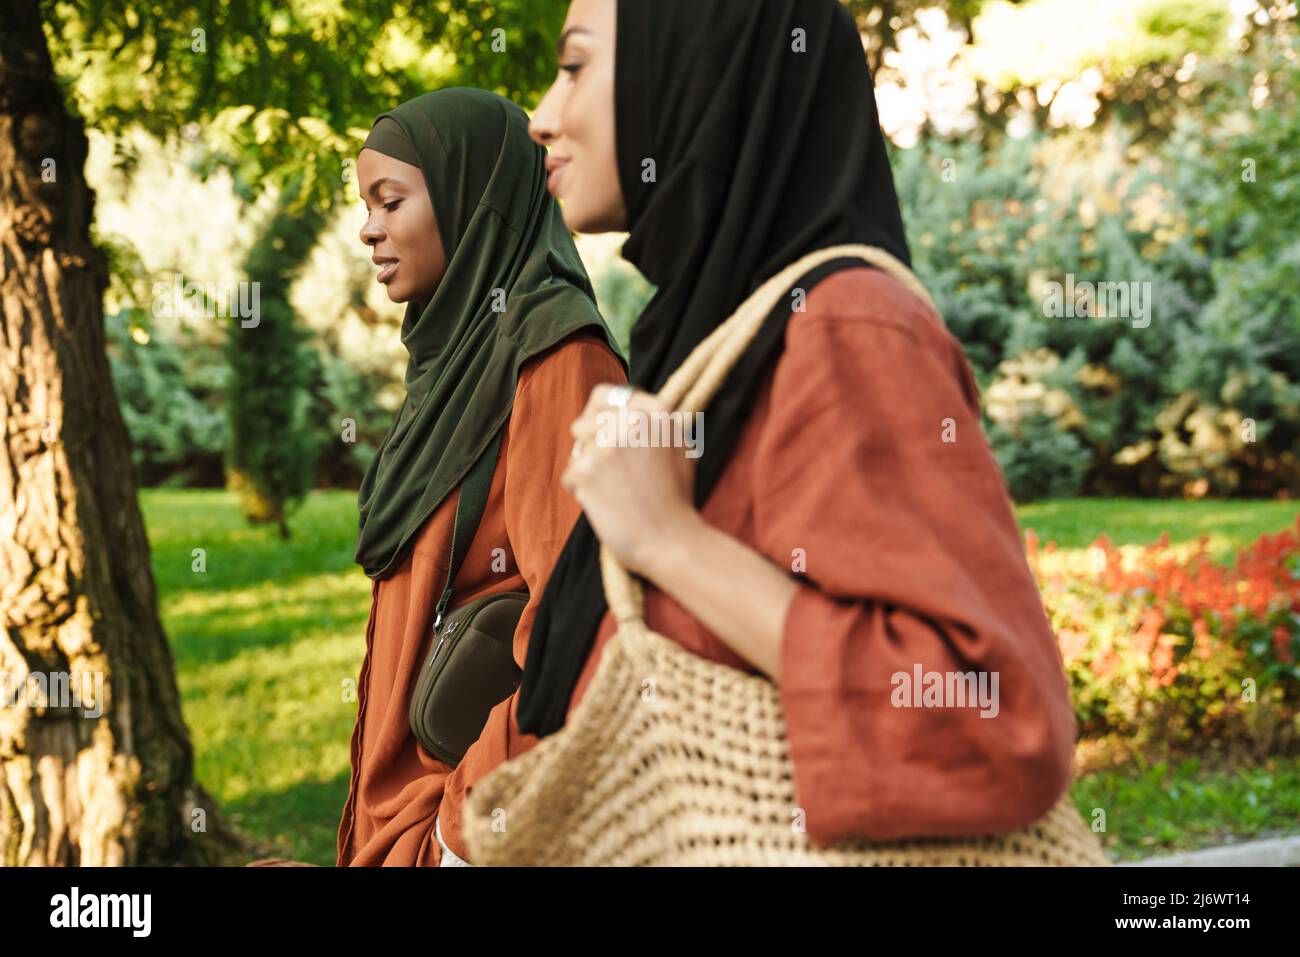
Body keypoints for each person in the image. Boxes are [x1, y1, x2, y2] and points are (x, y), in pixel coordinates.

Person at [511, 0, 1079, 849]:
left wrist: (673, 543)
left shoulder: (843, 327)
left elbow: (992, 720)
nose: (543, 117)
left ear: (694, 70)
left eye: (575, 66)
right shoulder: (714, 329)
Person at [335, 88, 626, 866]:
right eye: (365, 204)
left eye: (389, 201)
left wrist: (460, 832)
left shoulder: (556, 359)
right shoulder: (455, 365)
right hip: (388, 820)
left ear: (473, 200)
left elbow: (586, 634)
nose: (368, 228)